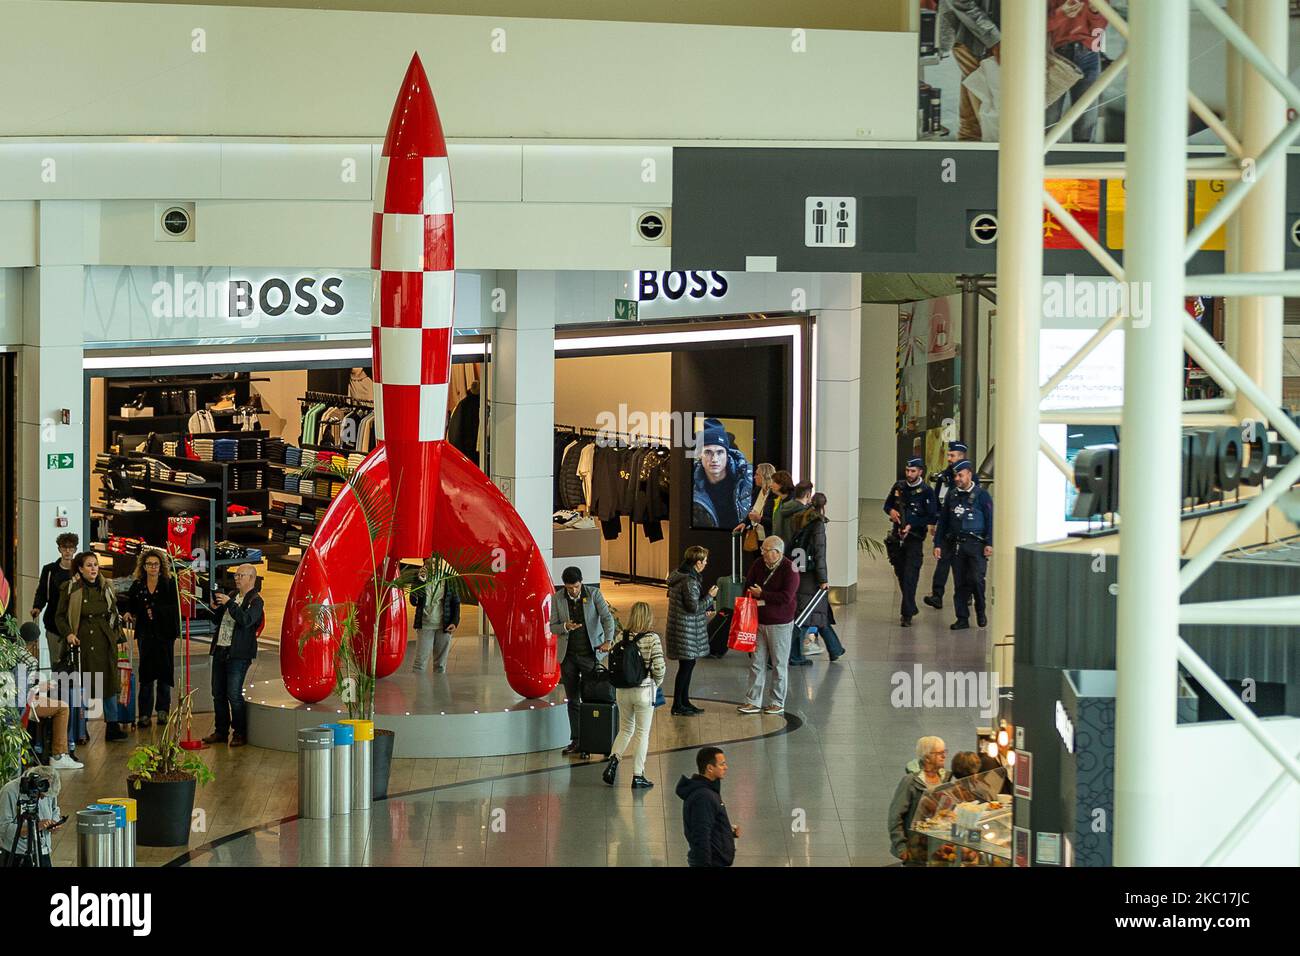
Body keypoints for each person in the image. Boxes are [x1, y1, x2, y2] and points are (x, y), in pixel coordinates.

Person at [54, 552, 129, 742]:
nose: (94, 568)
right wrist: (69, 634)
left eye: (95, 564)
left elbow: (113, 611)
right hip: (82, 641)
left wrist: (116, 635)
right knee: (84, 684)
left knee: (109, 682)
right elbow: (59, 616)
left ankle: (112, 726)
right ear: (80, 568)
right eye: (89, 565)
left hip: (104, 639)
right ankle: (81, 728)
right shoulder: (71, 588)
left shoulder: (106, 586)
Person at [548, 566, 616, 755]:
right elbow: (552, 626)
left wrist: (608, 641)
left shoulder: (594, 594)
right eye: (570, 588)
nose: (574, 591)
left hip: (589, 654)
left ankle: (591, 740)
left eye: (576, 587)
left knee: (590, 697)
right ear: (565, 586)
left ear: (581, 583)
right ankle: (576, 740)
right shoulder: (557, 598)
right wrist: (565, 626)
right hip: (568, 656)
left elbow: (607, 619)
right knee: (573, 699)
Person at [602, 602, 666, 790]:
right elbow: (659, 666)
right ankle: (638, 775)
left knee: (625, 729)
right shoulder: (652, 638)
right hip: (644, 691)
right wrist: (657, 682)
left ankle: (613, 762)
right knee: (641, 733)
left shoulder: (622, 636)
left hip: (622, 691)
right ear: (648, 617)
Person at [0, 623, 82, 770]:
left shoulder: (5, 652)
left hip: (6, 706)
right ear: (35, 642)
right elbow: (24, 695)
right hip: (19, 708)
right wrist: (41, 687)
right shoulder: (30, 661)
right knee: (62, 707)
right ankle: (59, 755)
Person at [737, 536, 799, 716]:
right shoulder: (758, 564)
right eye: (762, 549)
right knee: (756, 662)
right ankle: (752, 701)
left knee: (779, 663)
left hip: (780, 623)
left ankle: (777, 702)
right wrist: (753, 597)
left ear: (778, 552)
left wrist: (762, 594)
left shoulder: (790, 569)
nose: (762, 553)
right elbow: (748, 585)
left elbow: (786, 597)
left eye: (766, 550)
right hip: (758, 621)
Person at [203, 564, 263, 747]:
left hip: (238, 654)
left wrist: (229, 604)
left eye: (241, 575)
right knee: (217, 693)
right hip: (220, 649)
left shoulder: (256, 601)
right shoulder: (231, 596)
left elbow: (246, 621)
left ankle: (239, 732)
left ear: (252, 578)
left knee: (234, 694)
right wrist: (215, 607)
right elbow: (216, 620)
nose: (236, 578)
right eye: (236, 575)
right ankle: (221, 731)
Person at [934, 460, 994, 631]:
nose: (957, 478)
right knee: (959, 583)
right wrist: (938, 544)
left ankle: (980, 611)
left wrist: (989, 543)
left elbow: (990, 520)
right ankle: (962, 618)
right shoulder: (951, 495)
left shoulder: (982, 496)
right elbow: (943, 522)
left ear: (969, 474)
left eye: (960, 475)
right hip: (957, 545)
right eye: (955, 475)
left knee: (976, 580)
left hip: (976, 545)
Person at [123, 548, 179, 728]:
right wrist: (128, 613)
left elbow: (174, 609)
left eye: (155, 564)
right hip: (146, 634)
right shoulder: (138, 585)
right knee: (146, 675)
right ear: (144, 566)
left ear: (161, 566)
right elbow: (129, 604)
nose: (152, 567)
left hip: (164, 635)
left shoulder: (169, 584)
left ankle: (163, 711)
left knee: (164, 673)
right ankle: (144, 714)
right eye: (149, 564)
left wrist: (155, 611)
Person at [789, 493, 846, 662]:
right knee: (805, 616)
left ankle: (835, 649)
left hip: (799, 571)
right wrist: (823, 579)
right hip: (812, 577)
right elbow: (819, 554)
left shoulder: (800, 519)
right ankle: (795, 655)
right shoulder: (817, 524)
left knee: (819, 613)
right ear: (823, 506)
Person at [884, 457, 939, 627]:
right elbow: (887, 505)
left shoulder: (927, 491)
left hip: (914, 539)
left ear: (920, 471)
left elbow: (931, 516)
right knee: (901, 573)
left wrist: (911, 524)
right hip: (896, 538)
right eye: (907, 471)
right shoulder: (899, 486)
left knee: (910, 576)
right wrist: (892, 512)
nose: (909, 474)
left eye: (913, 471)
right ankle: (911, 605)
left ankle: (906, 614)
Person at [665, 545, 717, 716]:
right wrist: (710, 596)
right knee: (687, 665)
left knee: (687, 664)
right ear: (697, 562)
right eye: (705, 561)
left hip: (679, 627)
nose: (707, 564)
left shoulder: (678, 576)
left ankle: (684, 701)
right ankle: (678, 705)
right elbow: (693, 607)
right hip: (686, 631)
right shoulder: (690, 581)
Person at [1045, 0, 1106, 144]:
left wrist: (1094, 11)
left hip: (1089, 52)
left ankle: (1083, 161)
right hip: (1057, 54)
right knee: (1050, 117)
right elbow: (1035, 26)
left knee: (1087, 117)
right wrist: (1062, 13)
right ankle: (1043, 160)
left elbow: (1100, 27)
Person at [940, 0, 1002, 142]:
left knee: (973, 123)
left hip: (980, 38)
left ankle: (969, 157)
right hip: (975, 37)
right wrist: (993, 37)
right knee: (991, 121)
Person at [924, 441, 974, 610]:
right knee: (942, 561)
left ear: (961, 456)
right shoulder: (943, 477)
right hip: (947, 527)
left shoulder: (971, 479)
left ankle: (967, 595)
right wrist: (934, 521)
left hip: (964, 528)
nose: (949, 458)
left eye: (952, 455)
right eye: (948, 455)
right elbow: (937, 501)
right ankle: (937, 595)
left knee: (965, 565)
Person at [887, 736, 950, 863]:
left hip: (938, 848)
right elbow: (895, 816)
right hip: (916, 850)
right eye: (939, 753)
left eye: (945, 752)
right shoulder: (910, 782)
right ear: (927, 757)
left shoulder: (945, 779)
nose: (944, 756)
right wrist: (901, 847)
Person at [676, 746, 739, 868]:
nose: (726, 767)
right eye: (722, 764)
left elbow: (709, 824)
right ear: (710, 768)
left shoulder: (709, 791)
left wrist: (728, 832)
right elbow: (701, 835)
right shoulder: (703, 797)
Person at [691, 418, 753, 529]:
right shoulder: (690, 484)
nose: (714, 459)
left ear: (727, 454)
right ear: (700, 455)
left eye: (720, 452)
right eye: (708, 452)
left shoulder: (748, 478)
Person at [0, 766, 62, 866]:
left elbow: (55, 809)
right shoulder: (9, 791)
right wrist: (34, 827)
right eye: (42, 795)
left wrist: (54, 823)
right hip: (17, 854)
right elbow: (3, 829)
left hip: (43, 851)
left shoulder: (49, 788)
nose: (42, 798)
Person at [409, 564, 461, 674]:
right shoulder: (419, 578)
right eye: (429, 561)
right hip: (425, 624)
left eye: (435, 561)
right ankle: (421, 691)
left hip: (444, 625)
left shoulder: (448, 578)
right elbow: (413, 601)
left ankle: (439, 691)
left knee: (440, 666)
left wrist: (454, 622)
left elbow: (456, 603)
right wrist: (419, 582)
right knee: (420, 664)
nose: (432, 564)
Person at [31, 532, 79, 639]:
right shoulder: (49, 570)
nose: (67, 551)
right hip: (53, 620)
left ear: (75, 550)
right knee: (55, 654)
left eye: (71, 548)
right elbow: (42, 591)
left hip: (74, 621)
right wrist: (37, 607)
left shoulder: (80, 571)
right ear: (59, 549)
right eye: (64, 547)